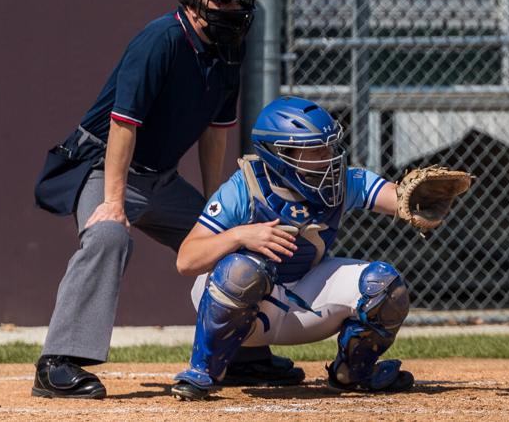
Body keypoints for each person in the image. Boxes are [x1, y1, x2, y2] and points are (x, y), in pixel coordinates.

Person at [32, 0, 301, 399]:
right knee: (107, 236)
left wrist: (217, 205)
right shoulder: (160, 41)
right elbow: (123, 125)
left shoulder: (228, 47)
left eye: (240, 2)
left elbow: (216, 131)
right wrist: (113, 202)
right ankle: (57, 362)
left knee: (234, 240)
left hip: (161, 178)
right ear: (194, 5)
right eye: (224, 1)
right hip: (104, 166)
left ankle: (241, 354)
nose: (235, 9)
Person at [170, 97, 419, 400]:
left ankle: (353, 373)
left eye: (329, 147)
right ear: (279, 155)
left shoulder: (340, 182)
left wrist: (419, 199)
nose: (328, 157)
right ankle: (203, 371)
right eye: (314, 149)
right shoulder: (244, 187)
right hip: (247, 306)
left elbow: (396, 197)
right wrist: (240, 236)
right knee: (240, 271)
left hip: (303, 303)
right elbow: (186, 260)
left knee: (385, 286)